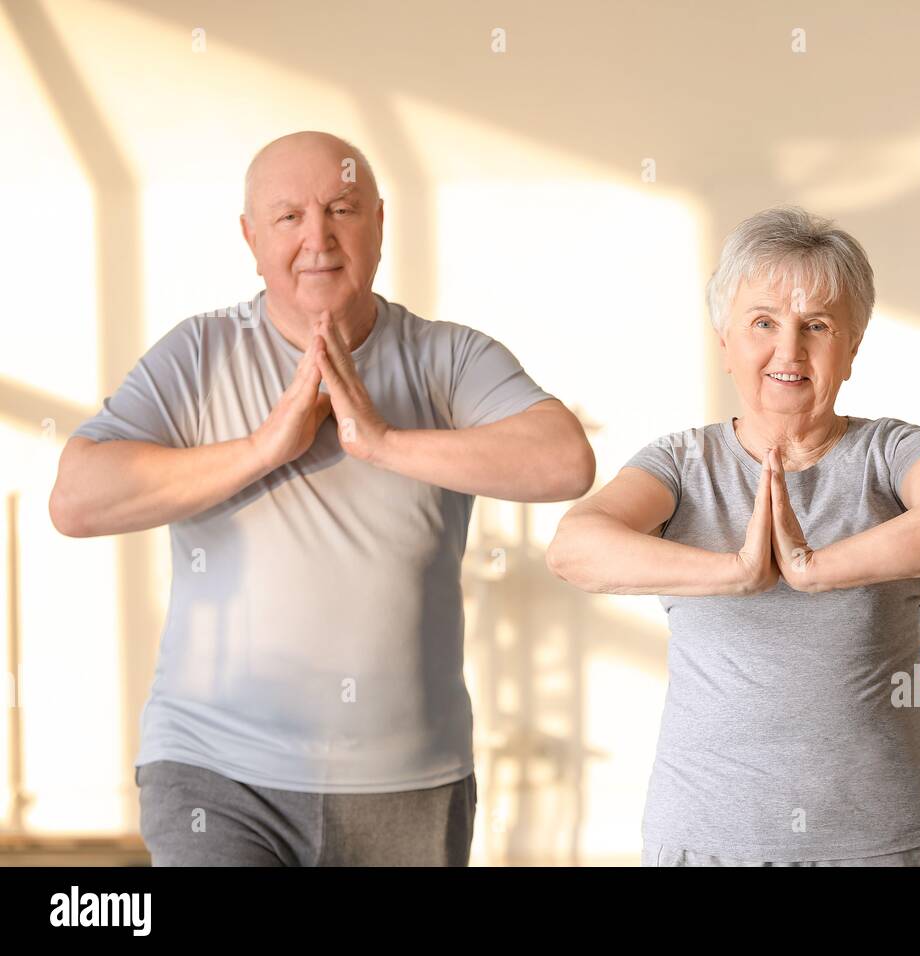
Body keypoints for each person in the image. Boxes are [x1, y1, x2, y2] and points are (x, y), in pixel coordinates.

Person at [48, 130, 595, 866]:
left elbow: (564, 461)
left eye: (341, 208)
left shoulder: (448, 357)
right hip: (216, 773)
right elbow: (77, 499)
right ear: (249, 236)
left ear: (378, 222)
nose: (318, 237)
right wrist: (264, 447)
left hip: (411, 783)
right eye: (288, 217)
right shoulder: (199, 354)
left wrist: (381, 441)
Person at [546, 205, 920, 866]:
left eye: (816, 326)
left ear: (850, 349)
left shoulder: (891, 452)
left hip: (882, 840)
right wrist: (737, 571)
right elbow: (574, 548)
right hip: (708, 842)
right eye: (763, 322)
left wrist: (817, 567)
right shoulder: (681, 463)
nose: (789, 350)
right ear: (725, 343)